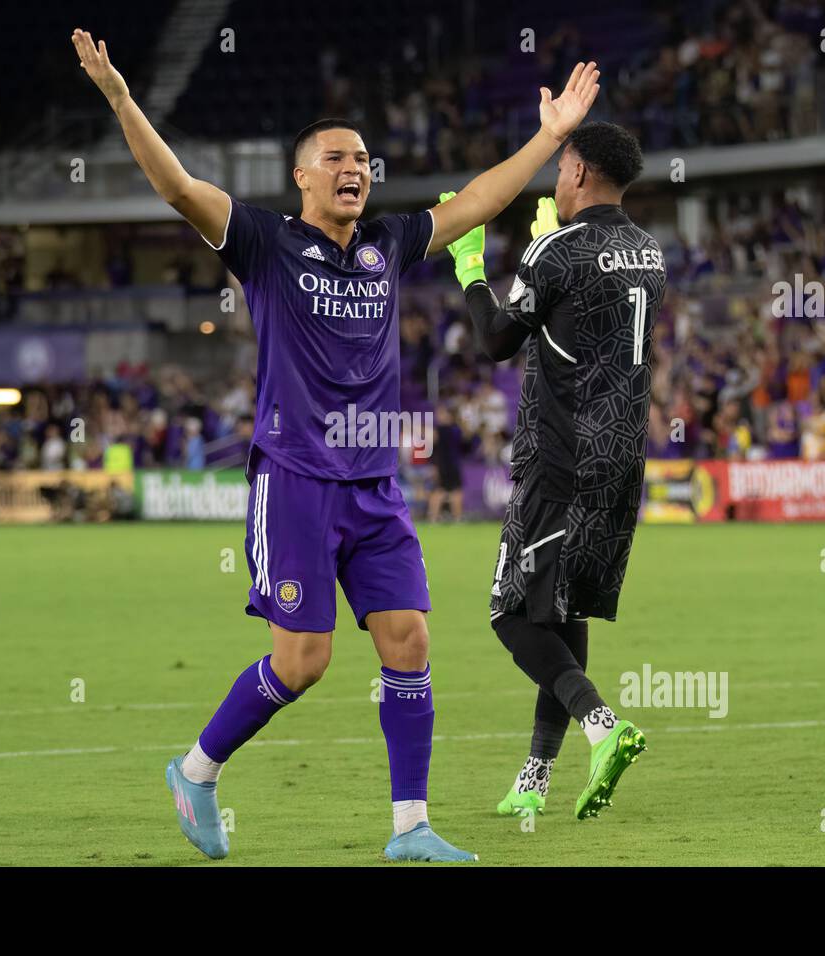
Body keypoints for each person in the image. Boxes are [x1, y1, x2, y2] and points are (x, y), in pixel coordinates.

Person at [71, 27, 601, 861]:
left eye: (363, 159)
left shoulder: (388, 245)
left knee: (410, 640)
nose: (356, 168)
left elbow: (476, 202)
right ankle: (198, 771)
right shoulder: (265, 242)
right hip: (296, 479)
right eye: (337, 158)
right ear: (302, 175)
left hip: (374, 484)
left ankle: (410, 828)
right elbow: (176, 188)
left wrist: (550, 136)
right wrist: (120, 98)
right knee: (303, 661)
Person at [440, 121, 664, 821]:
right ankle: (535, 778)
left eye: (561, 167)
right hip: (622, 459)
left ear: (579, 172)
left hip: (560, 461)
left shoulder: (557, 250)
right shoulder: (649, 251)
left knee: (509, 614)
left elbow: (500, 339)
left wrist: (472, 267)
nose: (556, 180)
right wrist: (542, 255)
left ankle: (603, 727)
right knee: (562, 611)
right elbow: (573, 324)